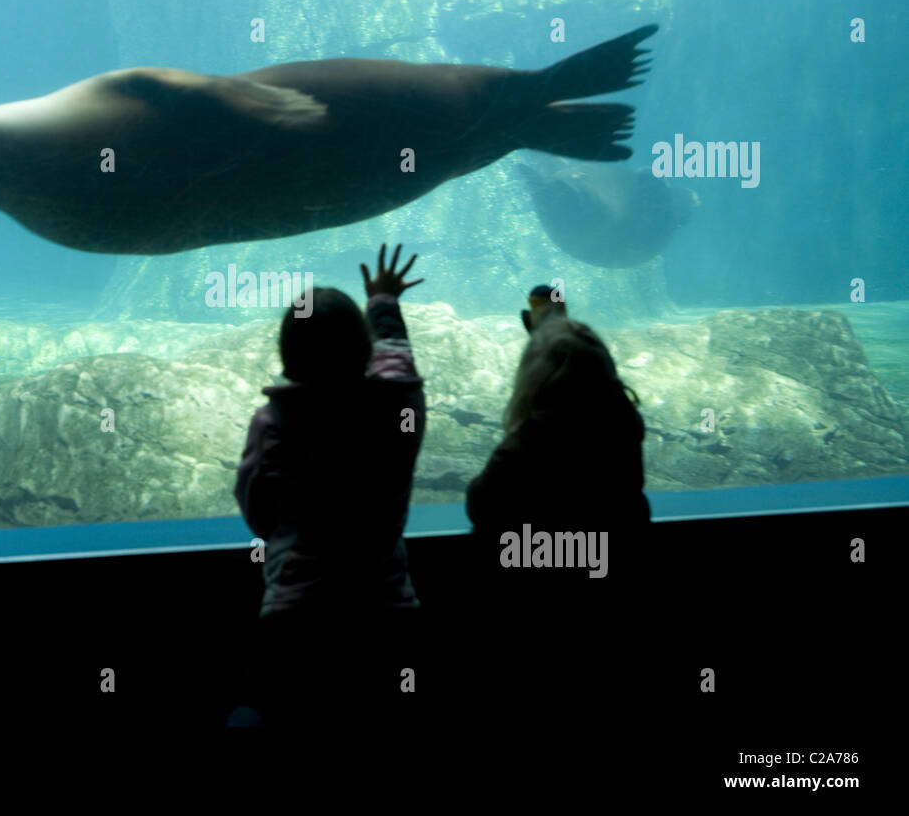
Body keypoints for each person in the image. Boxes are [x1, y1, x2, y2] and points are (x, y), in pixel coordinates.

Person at [228, 244, 427, 727]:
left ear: (286, 358)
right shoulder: (398, 410)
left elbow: (257, 508)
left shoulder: (274, 422)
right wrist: (383, 303)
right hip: (387, 605)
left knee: (260, 707)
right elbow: (397, 364)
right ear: (363, 352)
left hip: (296, 610)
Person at [462, 284, 651, 711]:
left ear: (531, 384)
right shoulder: (623, 428)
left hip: (536, 613)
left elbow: (480, 504)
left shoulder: (525, 446)